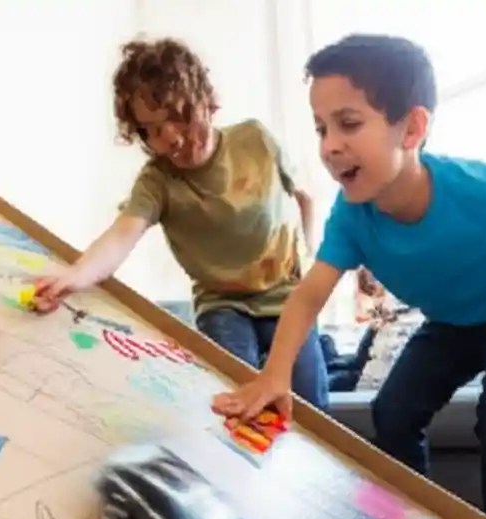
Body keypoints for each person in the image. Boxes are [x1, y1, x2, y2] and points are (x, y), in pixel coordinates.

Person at [211, 34, 486, 519]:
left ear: (412, 127)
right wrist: (274, 374)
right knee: (391, 411)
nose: (329, 146)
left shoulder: (485, 190)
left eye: (349, 123)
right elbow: (307, 295)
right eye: (321, 128)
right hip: (456, 323)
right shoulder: (352, 218)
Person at [30, 37, 330, 411]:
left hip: (287, 292)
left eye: (176, 116)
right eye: (151, 129)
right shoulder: (158, 181)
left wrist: (315, 255)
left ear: (204, 101)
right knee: (238, 404)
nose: (169, 137)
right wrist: (75, 275)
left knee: (312, 408)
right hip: (222, 304)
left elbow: (305, 195)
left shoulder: (255, 139)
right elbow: (122, 234)